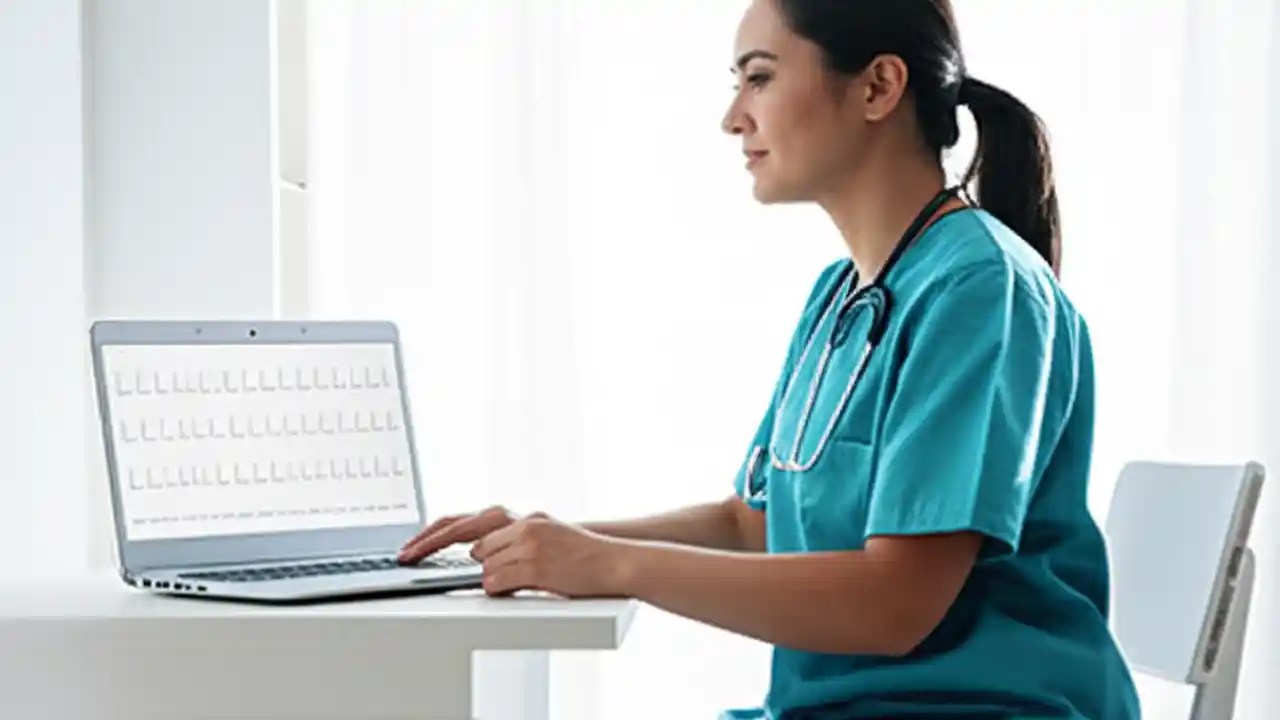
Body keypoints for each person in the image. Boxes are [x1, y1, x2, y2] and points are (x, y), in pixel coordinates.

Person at [398, 0, 1141, 717]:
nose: (733, 118)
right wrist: (548, 540)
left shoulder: (981, 289)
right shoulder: (841, 296)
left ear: (878, 86)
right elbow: (753, 524)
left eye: (759, 78)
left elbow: (896, 604)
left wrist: (608, 565)